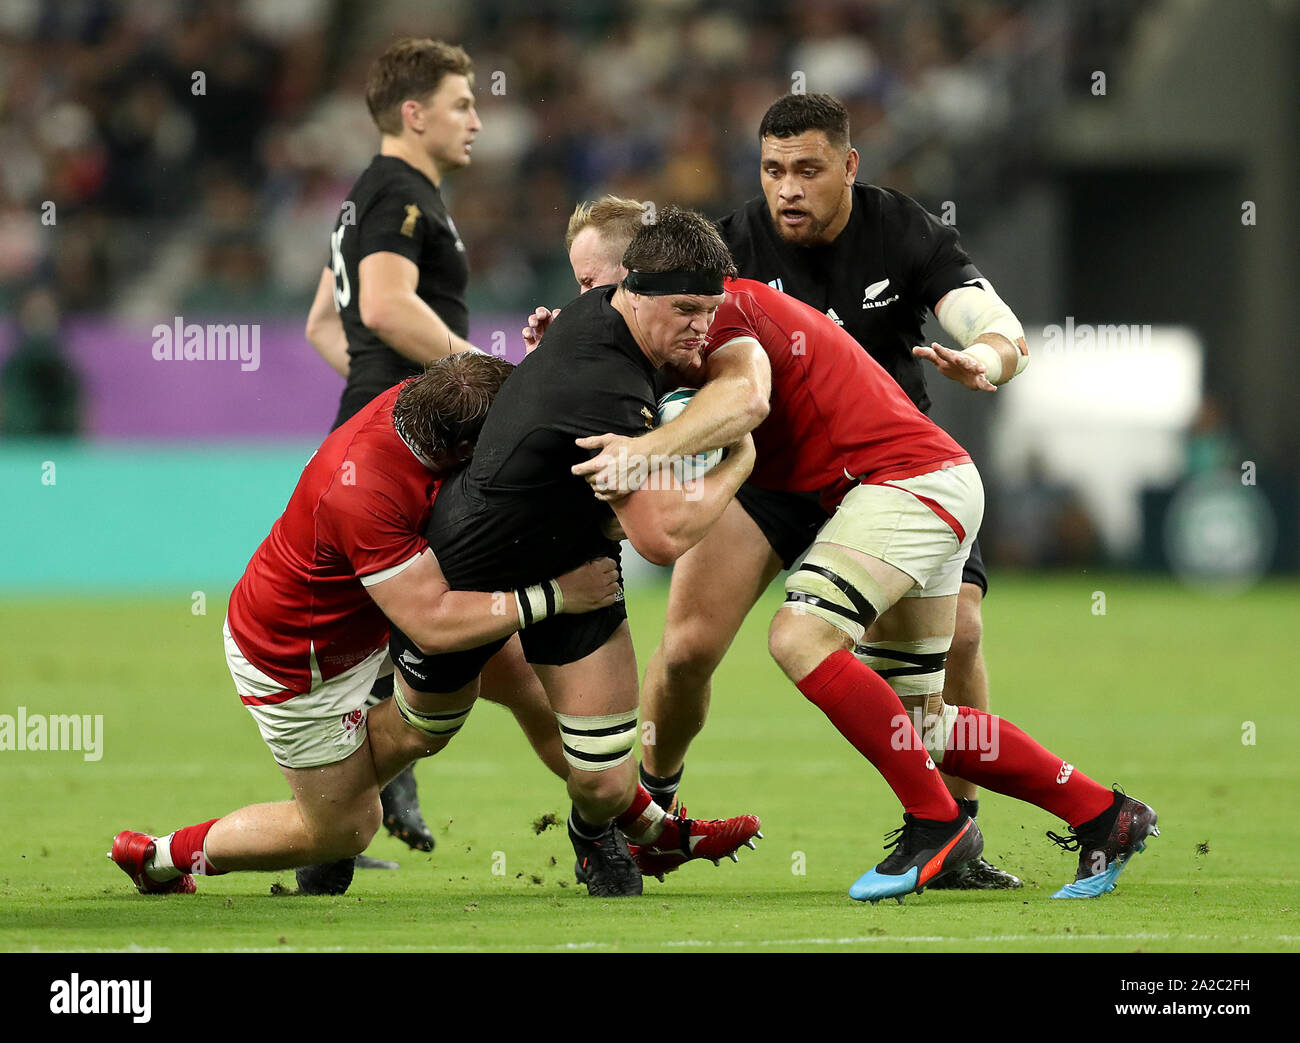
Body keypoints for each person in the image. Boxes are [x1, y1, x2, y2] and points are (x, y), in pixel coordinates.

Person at [568, 223, 1158, 901]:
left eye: (599, 282)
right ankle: (1105, 815)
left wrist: (643, 452)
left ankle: (937, 821)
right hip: (928, 480)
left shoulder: (724, 313)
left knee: (798, 636)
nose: (593, 296)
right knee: (920, 724)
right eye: (583, 285)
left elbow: (747, 398)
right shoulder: (670, 326)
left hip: (904, 484)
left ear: (637, 276)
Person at [668, 91, 1028, 889]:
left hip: (884, 472)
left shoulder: (904, 230)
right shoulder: (730, 245)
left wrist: (987, 358)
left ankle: (954, 830)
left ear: (849, 167)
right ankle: (648, 815)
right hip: (769, 474)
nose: (787, 187)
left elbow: (992, 320)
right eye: (772, 171)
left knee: (962, 635)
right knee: (688, 649)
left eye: (808, 169)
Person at [110, 354, 620, 895]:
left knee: (522, 679)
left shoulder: (429, 403)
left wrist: (552, 350)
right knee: (345, 828)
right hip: (298, 663)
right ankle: (158, 858)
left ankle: (624, 818)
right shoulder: (365, 493)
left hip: (374, 614)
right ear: (467, 450)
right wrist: (558, 595)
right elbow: (434, 626)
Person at [394, 207, 764, 897]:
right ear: (632, 291)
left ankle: (594, 833)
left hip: (580, 568)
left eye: (711, 309)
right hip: (476, 568)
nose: (701, 326)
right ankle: (324, 823)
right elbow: (661, 538)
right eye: (685, 308)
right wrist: (738, 462)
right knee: (414, 736)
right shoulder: (604, 386)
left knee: (601, 776)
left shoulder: (609, 320)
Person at [302, 37, 563, 888]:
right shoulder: (400, 191)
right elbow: (382, 305)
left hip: (373, 431)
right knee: (478, 627)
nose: (477, 117)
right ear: (413, 114)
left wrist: (380, 405)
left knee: (394, 624)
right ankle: (607, 788)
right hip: (404, 447)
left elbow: (324, 324)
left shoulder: (362, 199)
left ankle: (340, 825)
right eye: (460, 103)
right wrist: (481, 388)